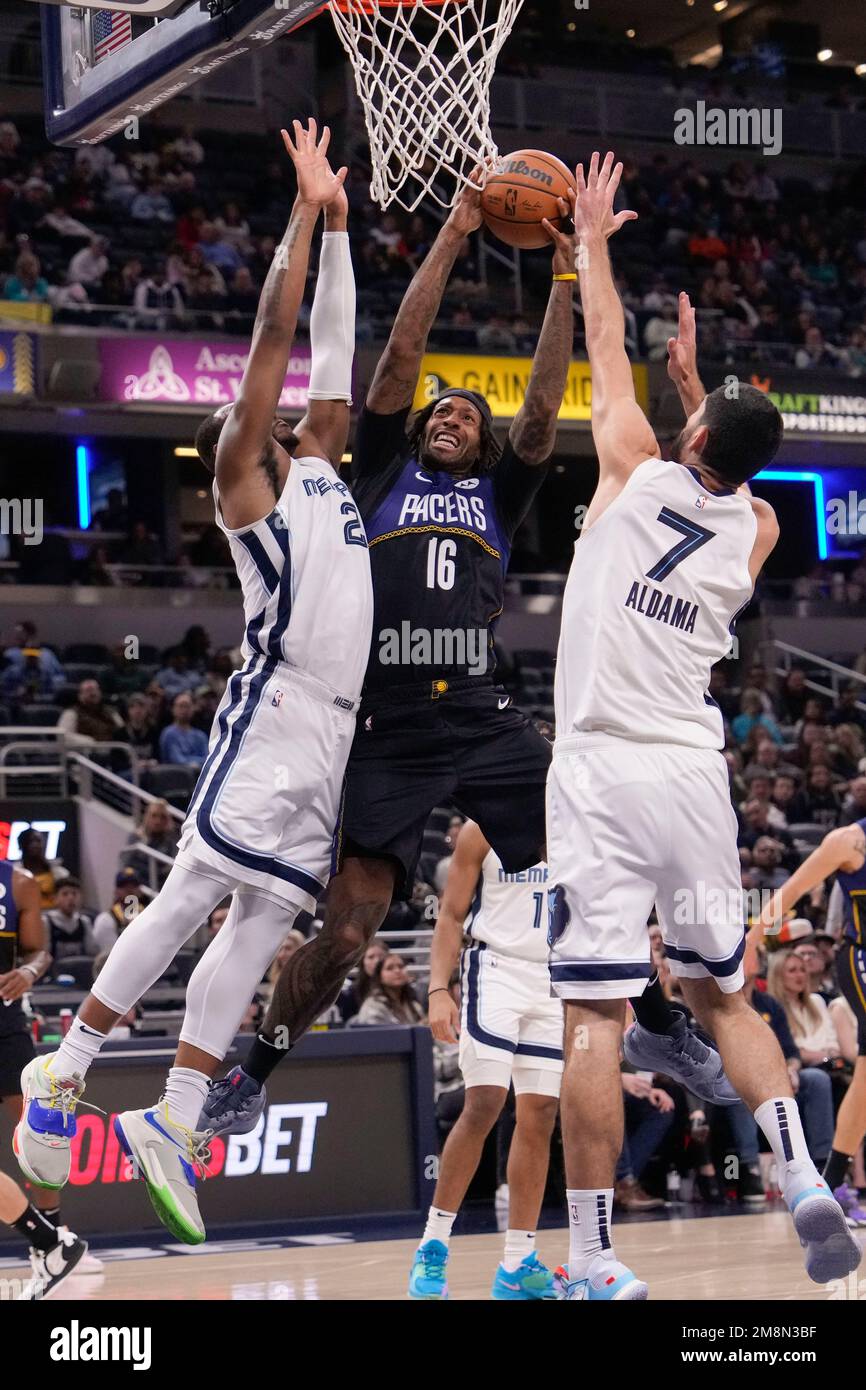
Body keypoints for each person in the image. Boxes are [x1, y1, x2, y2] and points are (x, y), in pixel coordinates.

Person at [206, 153, 733, 1139]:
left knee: (587, 871)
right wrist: (453, 231)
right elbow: (399, 358)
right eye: (437, 412)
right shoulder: (372, 476)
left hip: (483, 716)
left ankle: (659, 1025)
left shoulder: (501, 488)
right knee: (351, 922)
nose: (448, 415)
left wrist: (567, 277)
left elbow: (541, 403)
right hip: (387, 723)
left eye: (464, 414)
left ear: (484, 444)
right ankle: (255, 1065)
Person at [14, 121, 372, 1249]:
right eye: (248, 414)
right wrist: (301, 218)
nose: (263, 412)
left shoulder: (317, 462)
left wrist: (345, 234)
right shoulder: (244, 488)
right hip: (271, 722)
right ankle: (64, 1070)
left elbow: (328, 346)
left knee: (263, 927)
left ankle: (172, 1111)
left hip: (328, 743)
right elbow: (276, 330)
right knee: (184, 901)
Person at [547, 151, 858, 1301]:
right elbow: (716, 472)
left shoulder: (627, 469)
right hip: (691, 769)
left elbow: (604, 345)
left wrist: (590, 237)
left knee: (590, 1013)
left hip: (594, 765)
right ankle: (804, 1183)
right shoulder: (761, 529)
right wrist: (701, 407)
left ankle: (588, 1258)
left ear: (683, 438)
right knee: (724, 994)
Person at [409, 821, 562, 1301]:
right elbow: (451, 914)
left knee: (539, 1114)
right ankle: (433, 1247)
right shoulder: (482, 826)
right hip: (495, 968)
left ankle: (518, 1262)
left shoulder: (579, 816)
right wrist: (438, 989)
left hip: (555, 976)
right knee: (485, 1102)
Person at [753, 816, 866, 1226]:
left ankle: (832, 1184)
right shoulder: (849, 841)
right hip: (860, 959)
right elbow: (794, 888)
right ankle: (832, 1183)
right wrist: (753, 937)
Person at [1, 859, 100, 1283]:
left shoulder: (17, 883)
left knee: (37, 1132)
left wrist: (28, 970)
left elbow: (40, 951)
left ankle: (52, 1236)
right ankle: (49, 1243)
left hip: (5, 1024)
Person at [354, 954, 424, 1026]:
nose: (397, 971)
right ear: (379, 977)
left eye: (401, 966)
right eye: (390, 968)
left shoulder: (415, 1006)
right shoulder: (372, 1006)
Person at [43, 877, 96, 962]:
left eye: (74, 894)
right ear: (55, 899)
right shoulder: (47, 921)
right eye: (65, 894)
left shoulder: (84, 922)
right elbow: (44, 953)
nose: (71, 898)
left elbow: (92, 952)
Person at [158, 692, 209, 768]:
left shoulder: (200, 735)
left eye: (187, 706)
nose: (184, 710)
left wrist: (196, 763)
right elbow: (176, 759)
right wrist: (195, 763)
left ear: (193, 709)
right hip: (176, 775)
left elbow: (208, 758)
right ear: (173, 709)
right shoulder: (169, 733)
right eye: (181, 706)